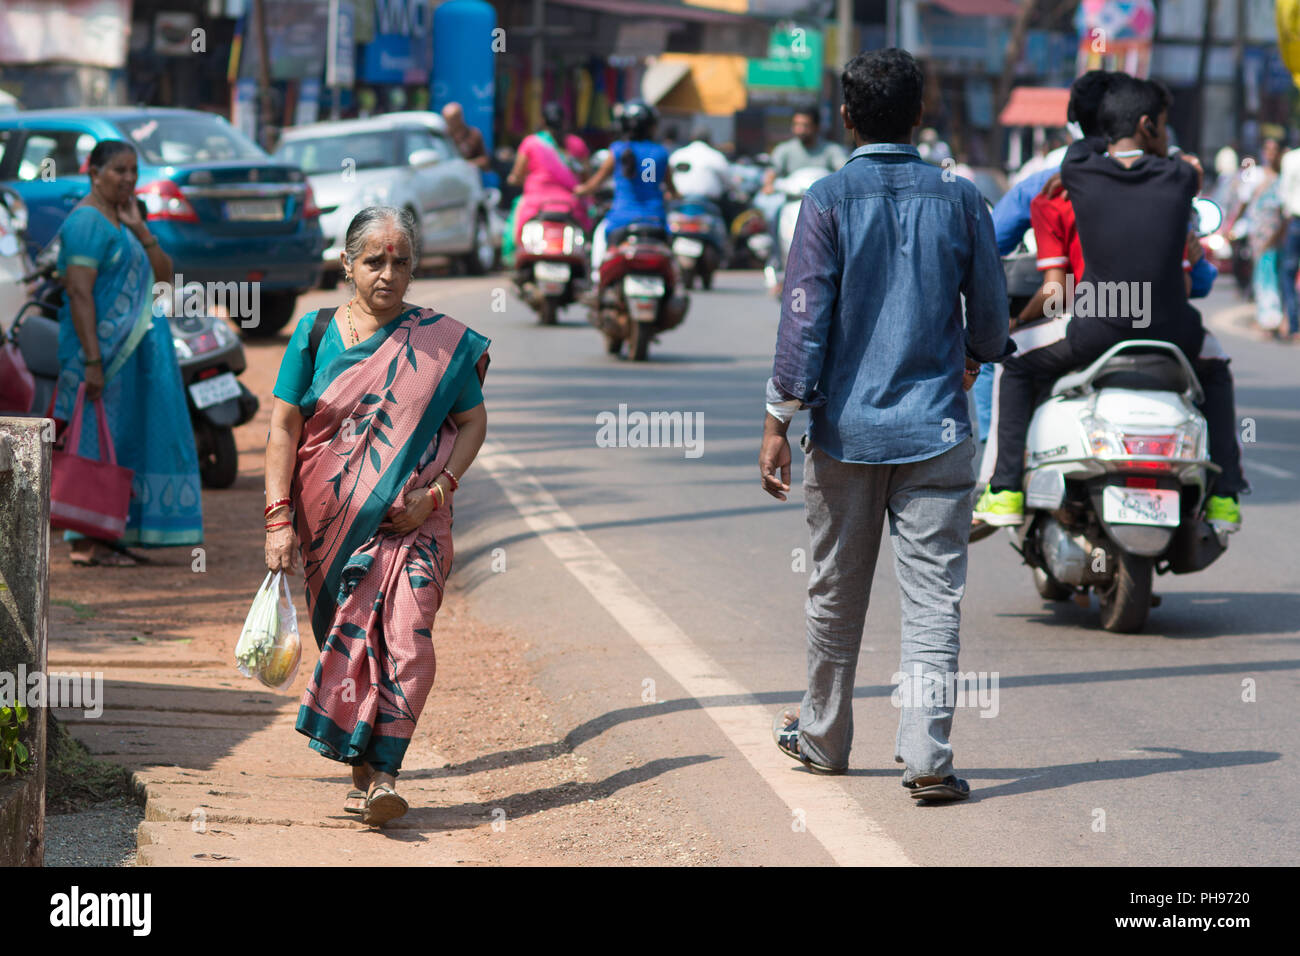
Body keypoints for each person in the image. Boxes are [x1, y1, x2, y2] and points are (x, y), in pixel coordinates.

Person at [760, 49, 1011, 801]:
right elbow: (993, 322)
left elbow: (804, 318)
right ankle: (928, 757)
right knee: (934, 602)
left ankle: (824, 737)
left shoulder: (828, 198)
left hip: (845, 435)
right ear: (921, 113)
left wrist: (780, 417)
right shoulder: (961, 199)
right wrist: (972, 357)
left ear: (844, 118)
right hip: (937, 432)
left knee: (836, 593)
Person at [264, 206, 489, 827]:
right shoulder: (312, 334)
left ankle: (388, 771)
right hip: (325, 533)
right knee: (349, 640)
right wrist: (278, 520)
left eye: (401, 262)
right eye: (374, 261)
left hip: (416, 526)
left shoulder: (440, 342)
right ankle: (363, 769)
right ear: (347, 264)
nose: (389, 274)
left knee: (407, 639)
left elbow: (473, 421)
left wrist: (437, 492)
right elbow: (283, 428)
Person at [975, 75, 1246, 533]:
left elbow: (1046, 284)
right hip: (1176, 332)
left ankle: (1003, 488)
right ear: (1146, 126)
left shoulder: (1065, 183)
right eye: (1162, 125)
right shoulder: (1180, 178)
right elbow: (1189, 175)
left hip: (1097, 328)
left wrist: (1016, 320)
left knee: (1012, 362)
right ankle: (1225, 496)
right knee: (1217, 371)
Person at [55, 139, 203, 566]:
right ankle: (86, 541)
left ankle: (116, 531)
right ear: (93, 172)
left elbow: (163, 278)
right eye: (119, 170)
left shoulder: (120, 221)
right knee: (97, 440)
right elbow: (80, 294)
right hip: (100, 354)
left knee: (131, 439)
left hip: (138, 354)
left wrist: (141, 229)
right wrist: (93, 361)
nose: (128, 179)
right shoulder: (86, 223)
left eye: (134, 171)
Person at [575, 99, 676, 267]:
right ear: (652, 126)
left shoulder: (617, 150)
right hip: (655, 220)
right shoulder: (660, 153)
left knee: (599, 238)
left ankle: (596, 280)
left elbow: (594, 185)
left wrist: (579, 190)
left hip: (620, 220)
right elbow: (666, 187)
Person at [503, 101, 591, 266]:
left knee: (515, 219)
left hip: (535, 203)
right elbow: (586, 179)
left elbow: (517, 174)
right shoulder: (577, 144)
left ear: (542, 121)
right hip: (570, 204)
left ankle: (514, 262)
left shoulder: (531, 143)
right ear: (564, 121)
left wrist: (514, 179)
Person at [755, 105, 848, 233]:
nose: (800, 129)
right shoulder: (784, 150)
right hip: (792, 203)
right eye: (797, 124)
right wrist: (768, 185)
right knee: (770, 218)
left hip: (825, 207)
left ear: (816, 127)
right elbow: (772, 172)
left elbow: (843, 169)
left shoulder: (831, 150)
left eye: (805, 125)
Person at [1240, 139, 1286, 336]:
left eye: (1274, 149)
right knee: (1262, 274)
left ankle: (1275, 318)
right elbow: (1244, 198)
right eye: (1267, 149)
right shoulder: (1255, 174)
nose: (1270, 153)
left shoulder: (1284, 177)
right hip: (1258, 233)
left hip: (1277, 232)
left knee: (1275, 274)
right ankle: (1266, 318)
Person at [441, 101, 490, 171]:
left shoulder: (473, 135)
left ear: (460, 117)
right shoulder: (442, 136)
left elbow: (485, 161)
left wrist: (464, 165)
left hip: (468, 177)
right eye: (447, 120)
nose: (450, 123)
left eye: (453, 119)